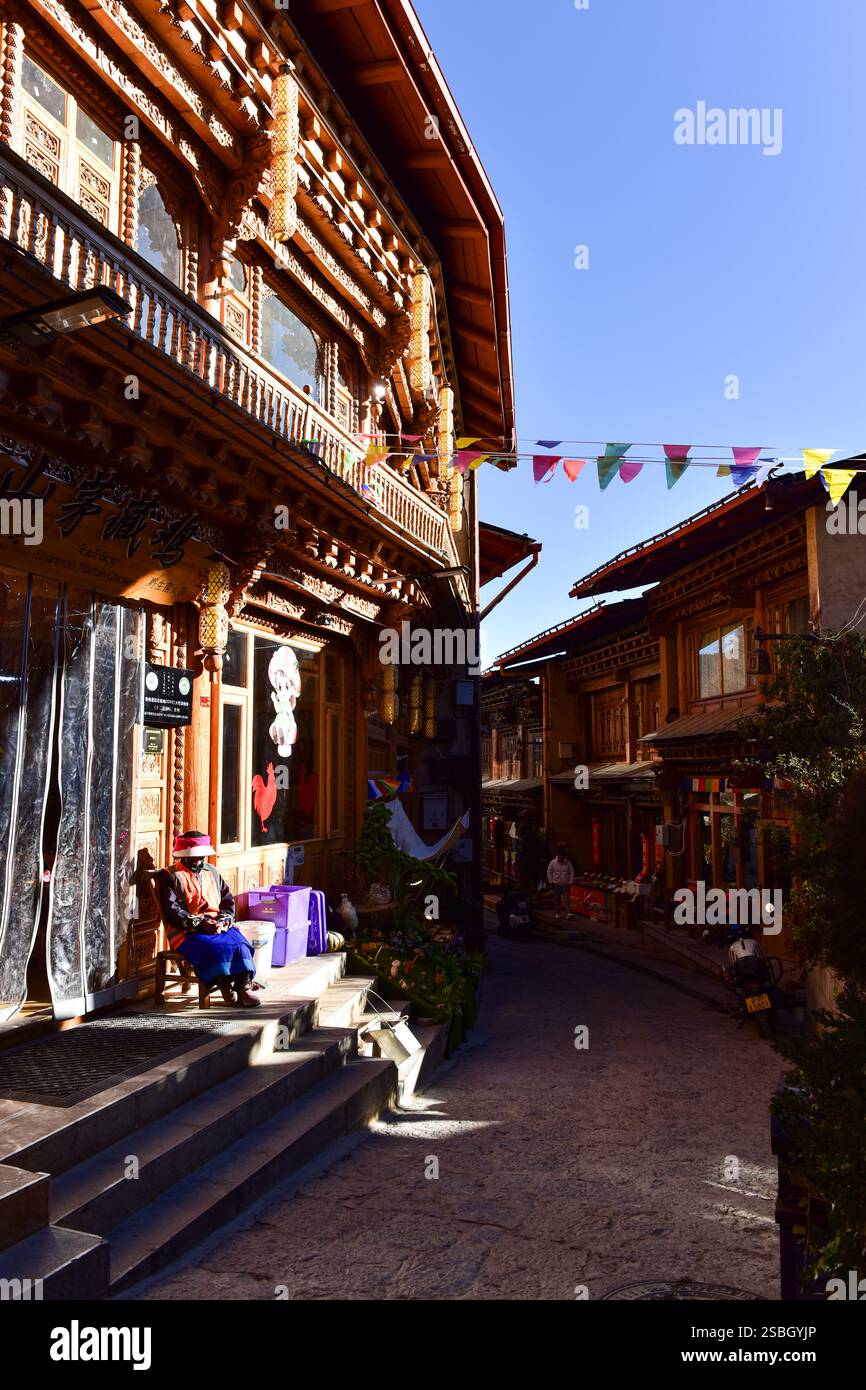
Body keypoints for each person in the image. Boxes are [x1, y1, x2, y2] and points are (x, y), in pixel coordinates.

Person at [157, 830, 261, 1007]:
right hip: (187, 930)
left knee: (240, 943)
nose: (197, 860)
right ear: (183, 856)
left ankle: (243, 986)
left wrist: (224, 920)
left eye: (200, 856)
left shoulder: (212, 871)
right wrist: (199, 924)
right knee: (214, 948)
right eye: (193, 857)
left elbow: (228, 901)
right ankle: (224, 985)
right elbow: (171, 910)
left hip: (216, 925)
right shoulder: (171, 875)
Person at [547, 842, 575, 920]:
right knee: (557, 899)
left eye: (561, 856)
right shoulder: (553, 862)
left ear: (563, 856)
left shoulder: (568, 863)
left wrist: (570, 882)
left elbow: (572, 872)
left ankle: (569, 913)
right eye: (558, 856)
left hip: (565, 884)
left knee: (566, 899)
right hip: (556, 884)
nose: (559, 857)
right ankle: (557, 913)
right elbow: (549, 872)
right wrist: (551, 881)